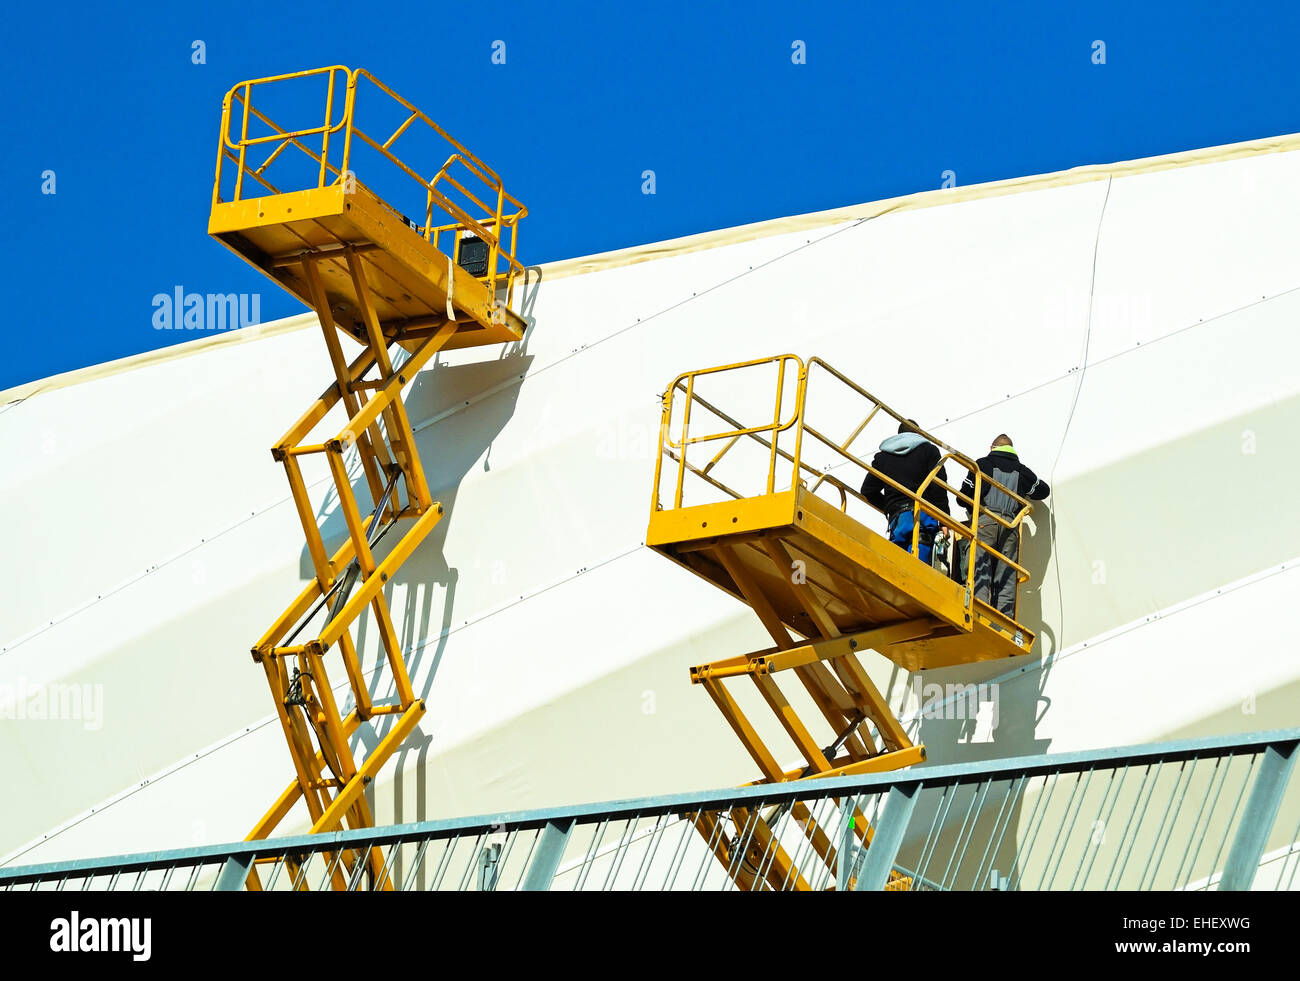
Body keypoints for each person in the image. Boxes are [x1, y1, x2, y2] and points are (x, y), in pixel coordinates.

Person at [958, 434, 1050, 617]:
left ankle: (978, 615)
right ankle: (1002, 622)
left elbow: (962, 497)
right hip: (1011, 525)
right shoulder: (1022, 471)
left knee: (980, 569)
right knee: (1006, 575)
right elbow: (1043, 490)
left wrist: (976, 510)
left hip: (985, 522)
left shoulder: (982, 465)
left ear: (992, 447)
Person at [861, 420, 950, 564]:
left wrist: (890, 506)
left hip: (898, 519)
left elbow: (868, 491)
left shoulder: (883, 456)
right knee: (920, 565)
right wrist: (945, 521)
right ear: (918, 433)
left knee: (898, 565)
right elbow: (938, 487)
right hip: (923, 515)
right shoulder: (928, 450)